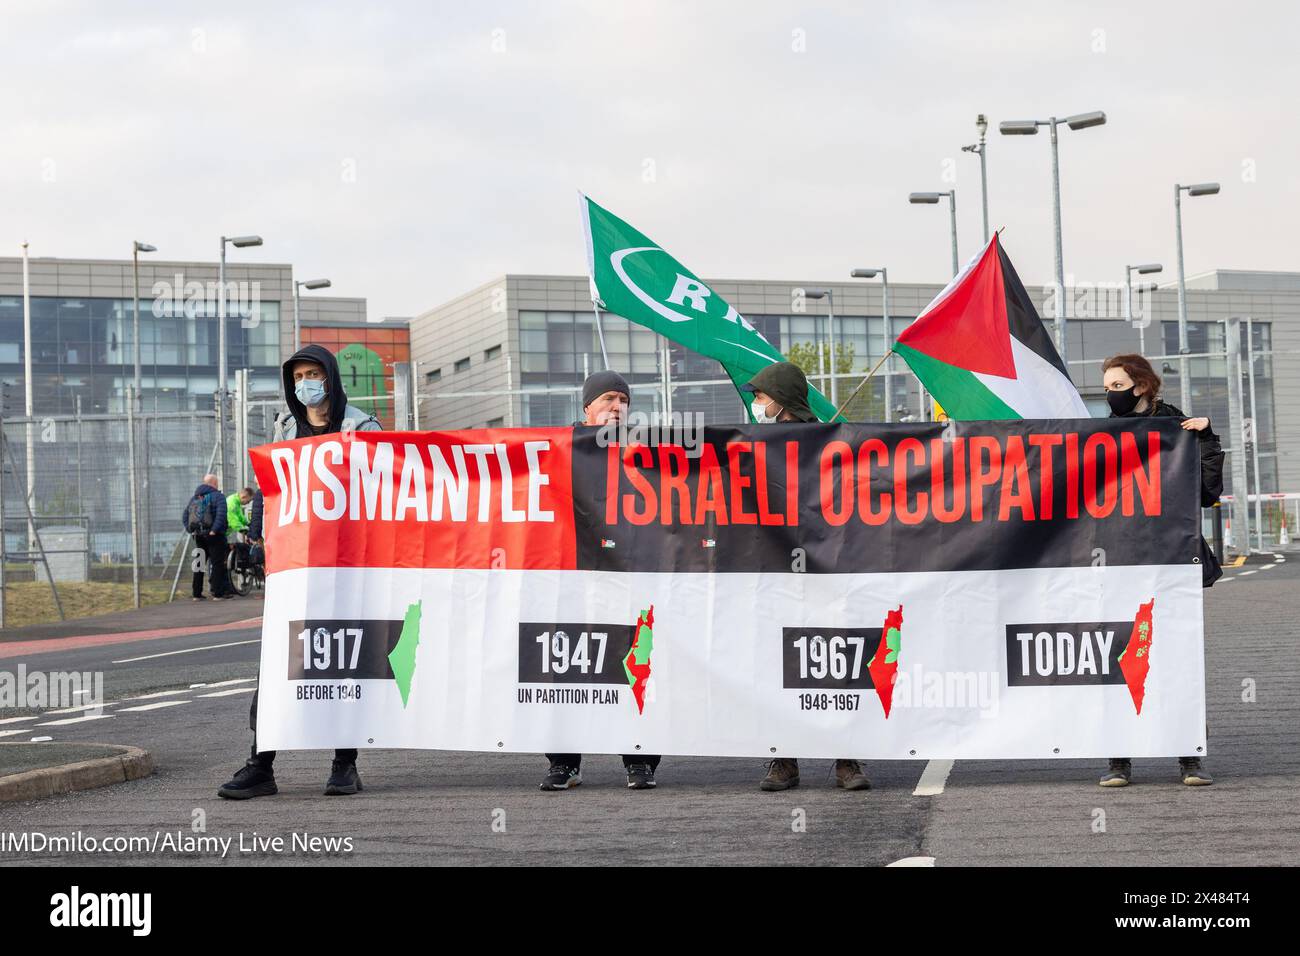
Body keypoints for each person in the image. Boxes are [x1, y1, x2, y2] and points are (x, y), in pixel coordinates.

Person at [218, 344, 381, 800]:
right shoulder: (285, 426)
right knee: (279, 663)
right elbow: (271, 489)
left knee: (344, 659)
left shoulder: (362, 425)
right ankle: (261, 764)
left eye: (313, 373)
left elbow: (380, 489)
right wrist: (257, 537)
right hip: (295, 563)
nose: (305, 382)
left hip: (348, 563)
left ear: (330, 376)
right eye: (298, 376)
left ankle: (345, 764)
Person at [742, 362, 871, 792]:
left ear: (780, 398)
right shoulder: (757, 443)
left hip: (828, 566)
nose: (756, 404)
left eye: (760, 396)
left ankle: (846, 760)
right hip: (776, 567)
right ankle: (784, 760)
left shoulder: (833, 440)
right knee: (780, 662)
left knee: (836, 659)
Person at [1098, 353, 1220, 788]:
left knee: (1176, 659)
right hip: (1117, 559)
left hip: (1172, 561)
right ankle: (1118, 760)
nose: (1110, 396)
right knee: (1118, 656)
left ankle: (1189, 757)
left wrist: (1206, 441)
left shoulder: (1179, 427)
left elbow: (1206, 494)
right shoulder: (1102, 434)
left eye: (1116, 387)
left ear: (1142, 386)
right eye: (1107, 388)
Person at [540, 370, 663, 792]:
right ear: (587, 407)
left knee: (634, 663)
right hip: (570, 573)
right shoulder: (557, 449)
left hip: (627, 573)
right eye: (608, 398)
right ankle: (564, 762)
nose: (617, 407)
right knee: (566, 665)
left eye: (624, 400)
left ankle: (640, 759)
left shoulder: (642, 450)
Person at [183, 473, 231, 601]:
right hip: (215, 536)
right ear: (214, 483)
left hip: (198, 536)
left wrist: (190, 530)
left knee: (199, 564)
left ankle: (196, 594)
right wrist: (214, 530)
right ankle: (217, 593)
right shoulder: (218, 497)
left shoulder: (194, 498)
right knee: (216, 564)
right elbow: (221, 515)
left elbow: (185, 516)